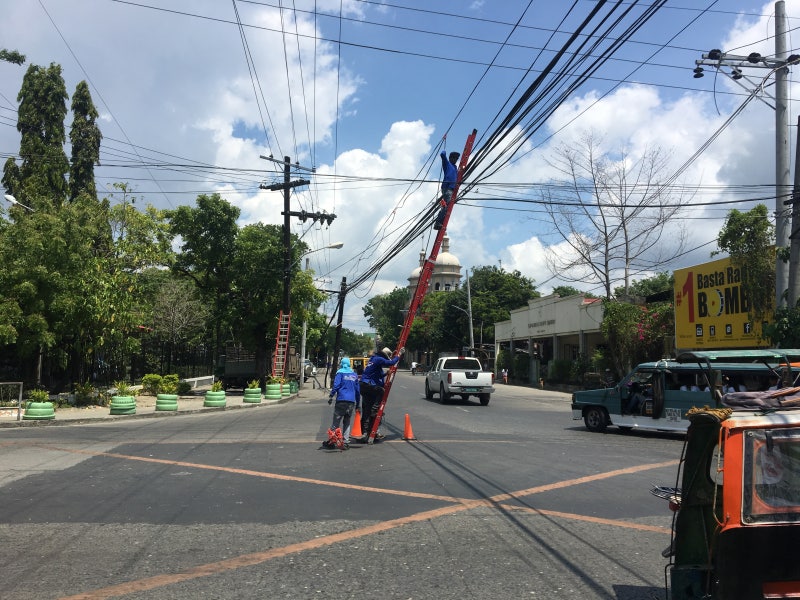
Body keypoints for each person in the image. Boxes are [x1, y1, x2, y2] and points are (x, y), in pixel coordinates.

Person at [358, 346, 404, 440]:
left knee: (367, 409)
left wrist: (385, 374)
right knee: (381, 391)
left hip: (363, 386)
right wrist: (399, 355)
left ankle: (365, 433)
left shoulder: (373, 360)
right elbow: (391, 362)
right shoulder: (379, 359)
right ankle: (375, 409)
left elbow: (377, 375)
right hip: (367, 385)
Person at [323, 357, 361, 450]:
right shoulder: (354, 375)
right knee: (347, 422)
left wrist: (331, 396)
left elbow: (336, 386)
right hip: (351, 402)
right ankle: (346, 441)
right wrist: (358, 404)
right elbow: (357, 391)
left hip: (341, 401)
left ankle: (332, 441)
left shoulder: (340, 373)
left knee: (336, 422)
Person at [433, 150, 460, 230]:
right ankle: (438, 222)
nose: (455, 160)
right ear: (450, 158)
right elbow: (442, 154)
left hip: (452, 189)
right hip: (447, 188)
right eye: (454, 158)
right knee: (445, 206)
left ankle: (440, 221)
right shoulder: (447, 164)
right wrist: (444, 150)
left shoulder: (455, 168)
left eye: (456, 158)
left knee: (446, 206)